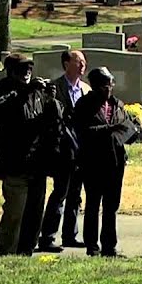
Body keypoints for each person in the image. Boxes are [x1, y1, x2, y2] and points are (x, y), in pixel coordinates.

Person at [0, 53, 60, 256]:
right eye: (22, 69)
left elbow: (50, 124)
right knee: (14, 211)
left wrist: (52, 100)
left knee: (35, 212)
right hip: (14, 161)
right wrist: (25, 92)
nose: (27, 72)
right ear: (10, 71)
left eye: (30, 68)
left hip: (37, 161)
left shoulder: (37, 93)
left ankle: (26, 250)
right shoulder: (0, 92)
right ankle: (5, 250)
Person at [73, 67, 141, 257]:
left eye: (110, 84)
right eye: (104, 85)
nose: (108, 88)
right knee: (93, 204)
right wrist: (109, 129)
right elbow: (82, 130)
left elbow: (125, 127)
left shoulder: (117, 105)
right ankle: (92, 246)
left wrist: (134, 131)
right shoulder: (84, 104)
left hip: (115, 161)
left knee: (111, 206)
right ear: (94, 86)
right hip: (92, 161)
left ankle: (109, 246)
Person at [37, 50, 91, 252]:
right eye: (78, 62)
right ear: (66, 63)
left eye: (84, 62)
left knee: (76, 195)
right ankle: (47, 237)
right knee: (61, 192)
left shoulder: (85, 89)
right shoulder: (54, 88)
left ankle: (70, 235)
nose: (83, 66)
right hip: (62, 149)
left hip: (81, 148)